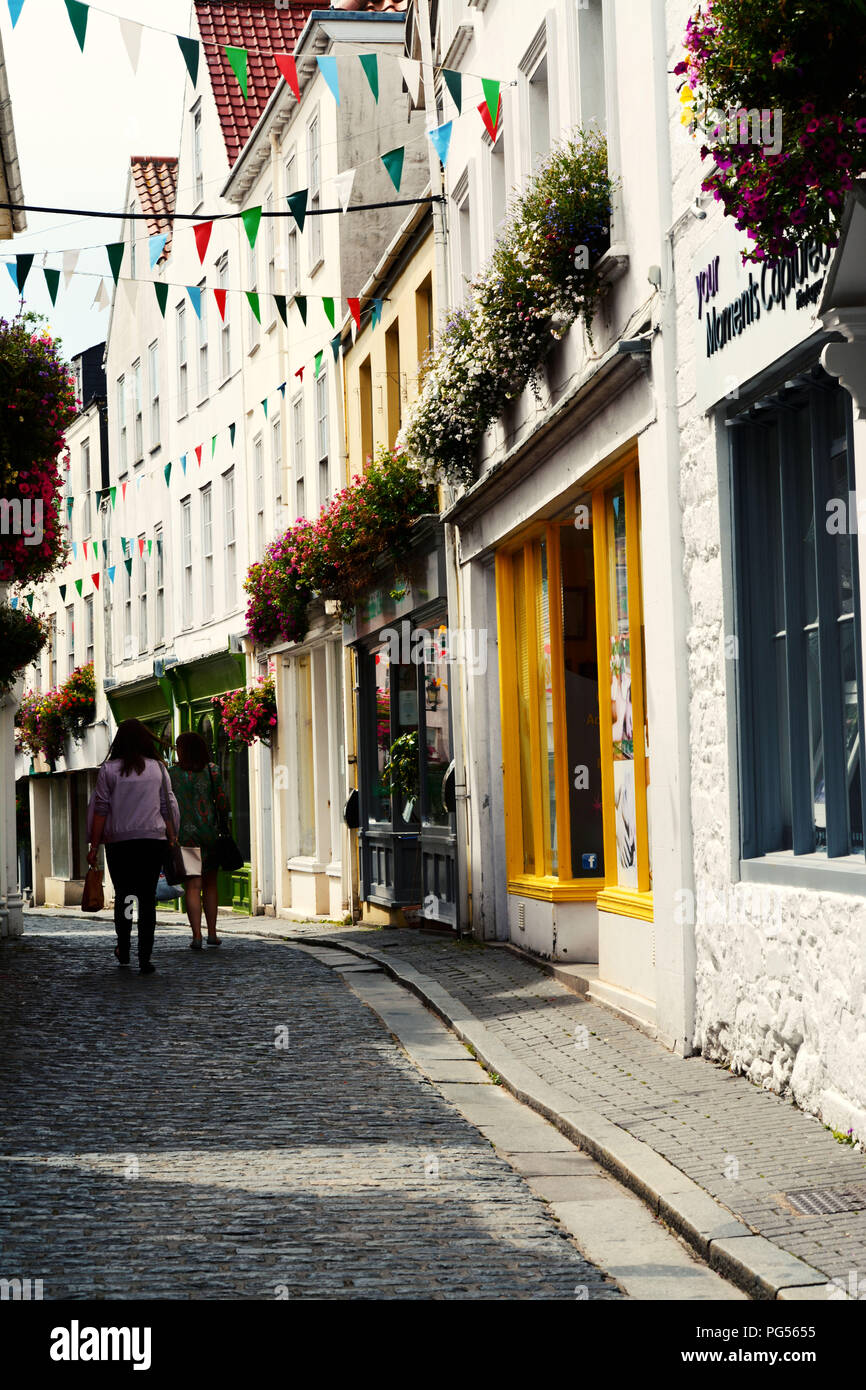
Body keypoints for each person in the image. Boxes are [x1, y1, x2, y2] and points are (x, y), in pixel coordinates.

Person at [87, 719, 179, 975]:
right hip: (152, 841)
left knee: (125, 896)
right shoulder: (158, 769)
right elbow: (167, 807)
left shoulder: (109, 770)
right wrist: (173, 838)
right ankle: (145, 956)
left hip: (120, 844)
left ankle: (124, 946)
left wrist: (94, 845)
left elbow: (100, 810)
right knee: (148, 899)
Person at [168, 731, 231, 950]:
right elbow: (223, 801)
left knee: (193, 886)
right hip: (210, 834)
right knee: (211, 884)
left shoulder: (172, 774)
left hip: (186, 837)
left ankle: (196, 935)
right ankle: (213, 933)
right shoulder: (211, 770)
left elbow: (168, 806)